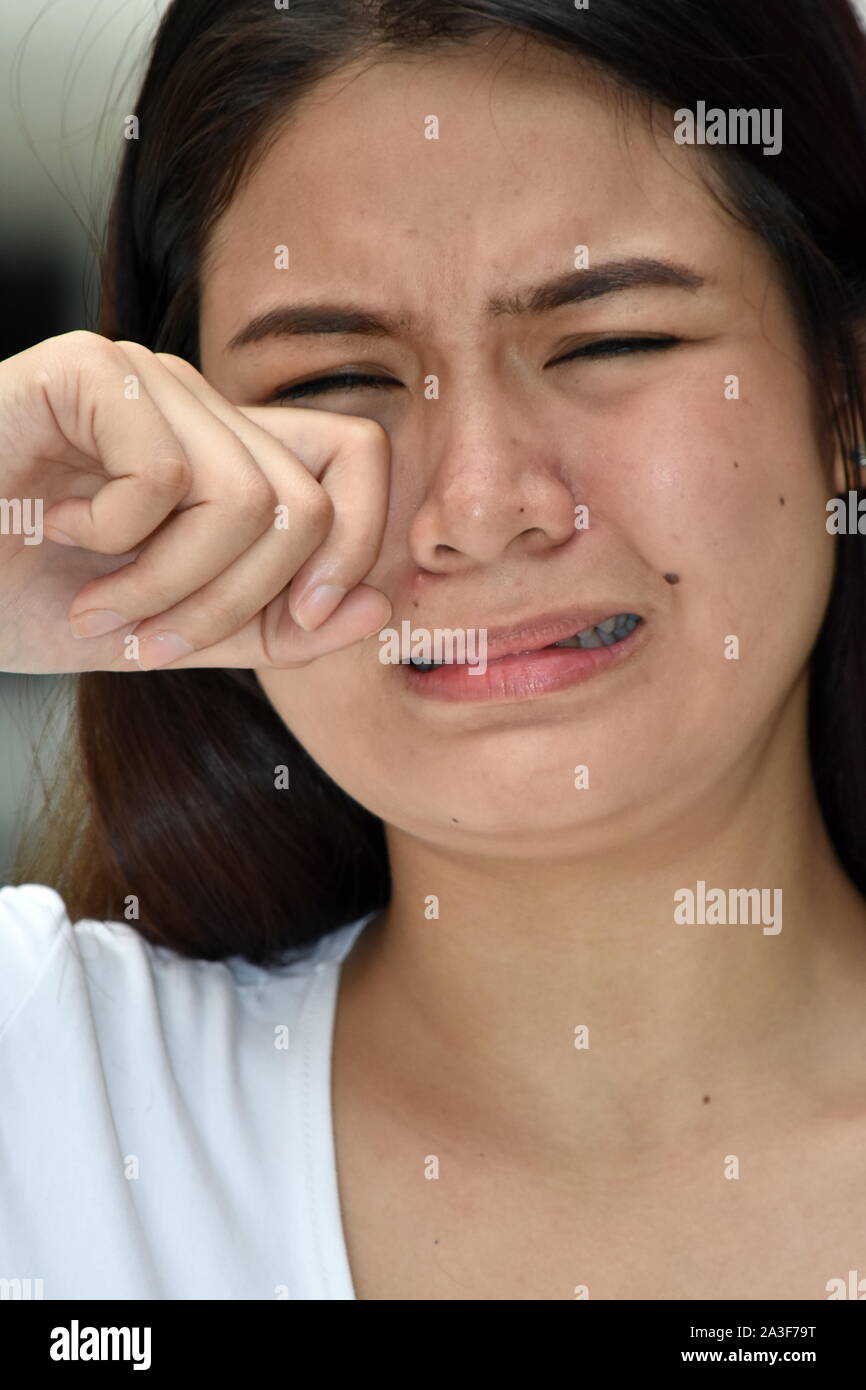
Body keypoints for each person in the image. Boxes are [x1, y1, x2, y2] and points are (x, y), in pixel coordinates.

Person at [1, 0, 866, 1301]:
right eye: (330, 382)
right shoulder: (46, 1091)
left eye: (609, 341)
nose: (477, 504)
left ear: (845, 401)